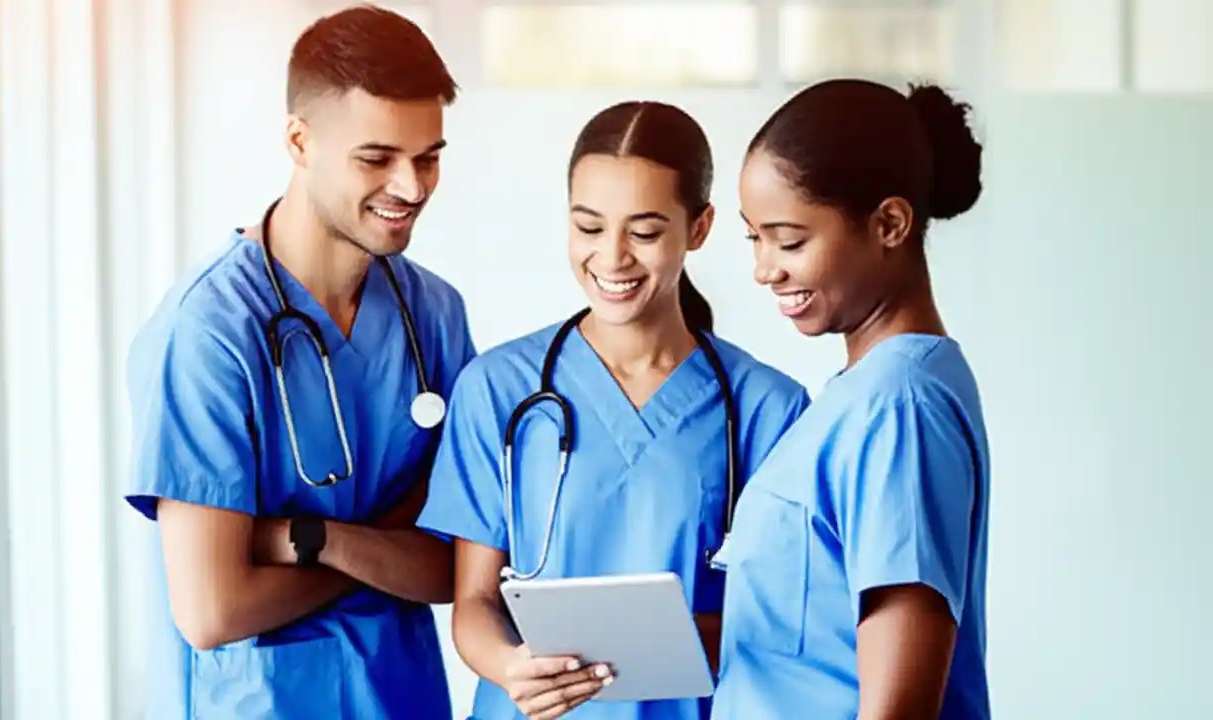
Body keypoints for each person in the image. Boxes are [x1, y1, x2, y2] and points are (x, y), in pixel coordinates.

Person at [123, 6, 474, 719]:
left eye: (429, 156)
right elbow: (213, 609)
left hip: (402, 698)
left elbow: (452, 568)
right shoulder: (210, 332)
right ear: (299, 141)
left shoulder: (433, 315)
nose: (411, 187)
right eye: (376, 158)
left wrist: (309, 539)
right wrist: (383, 548)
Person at [417, 100, 811, 720]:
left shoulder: (769, 409)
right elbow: (474, 601)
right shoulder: (499, 388)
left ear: (700, 228)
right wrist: (512, 668)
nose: (612, 257)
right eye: (589, 226)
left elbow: (783, 617)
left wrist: (671, 640)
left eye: (646, 232)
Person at [711, 78, 991, 719]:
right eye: (753, 238)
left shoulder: (900, 406)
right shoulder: (863, 396)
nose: (765, 268)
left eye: (790, 240)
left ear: (889, 223)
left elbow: (899, 704)